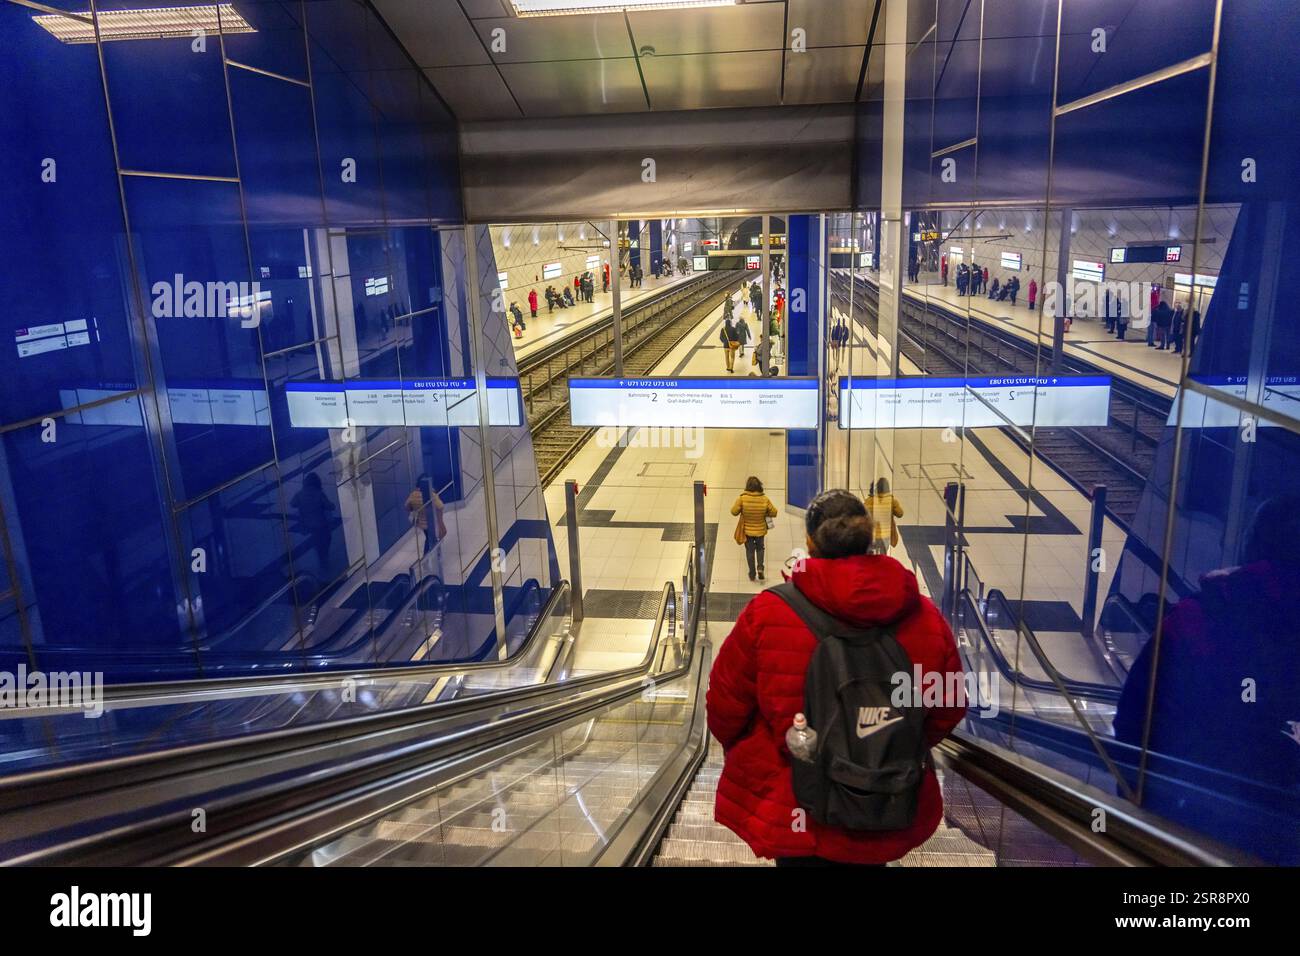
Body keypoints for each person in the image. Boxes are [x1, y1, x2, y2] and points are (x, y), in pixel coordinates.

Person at [707, 489, 967, 866]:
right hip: (885, 798)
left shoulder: (768, 612)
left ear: (810, 542)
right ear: (867, 539)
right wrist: (887, 744)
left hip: (797, 803)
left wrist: (750, 750)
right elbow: (949, 704)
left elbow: (725, 706)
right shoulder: (924, 617)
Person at [731, 476, 778, 582]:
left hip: (747, 531)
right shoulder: (764, 499)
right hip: (760, 531)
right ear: (759, 486)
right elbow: (774, 512)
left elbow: (733, 512)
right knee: (760, 548)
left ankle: (752, 573)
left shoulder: (742, 499)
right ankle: (760, 568)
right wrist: (765, 511)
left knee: (750, 551)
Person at [291, 472, 335, 576]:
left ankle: (322, 561)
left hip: (309, 525)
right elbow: (330, 506)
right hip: (321, 524)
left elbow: (293, 504)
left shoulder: (300, 494)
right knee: (326, 541)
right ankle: (325, 563)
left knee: (318, 543)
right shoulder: (319, 493)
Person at [405, 473, 446, 556]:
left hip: (421, 523)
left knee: (429, 537)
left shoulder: (413, 495)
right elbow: (440, 506)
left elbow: (406, 506)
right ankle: (428, 558)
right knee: (431, 539)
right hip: (431, 523)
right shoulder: (431, 495)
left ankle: (434, 555)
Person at [865, 477, 904, 554]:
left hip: (872, 535)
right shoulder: (891, 501)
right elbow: (900, 514)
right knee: (883, 558)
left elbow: (863, 513)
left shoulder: (869, 501)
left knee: (870, 558)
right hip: (885, 535)